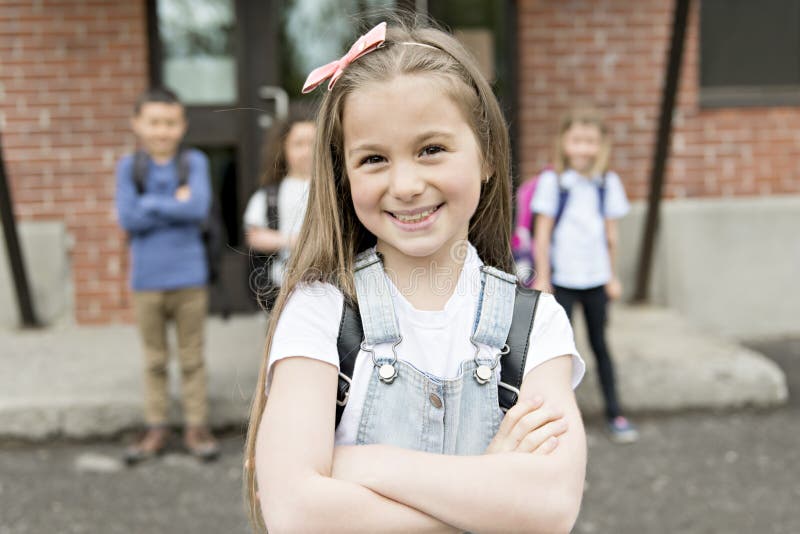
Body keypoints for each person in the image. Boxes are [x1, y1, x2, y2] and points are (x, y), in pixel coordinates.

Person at [243, 20, 587, 533]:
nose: (405, 185)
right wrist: (490, 494)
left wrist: (359, 465)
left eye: (431, 149)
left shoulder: (535, 326)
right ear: (345, 176)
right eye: (374, 159)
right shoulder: (321, 312)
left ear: (487, 155)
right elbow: (296, 514)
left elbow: (551, 507)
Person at [115, 87, 220, 463]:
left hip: (190, 277)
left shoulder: (194, 162)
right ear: (138, 125)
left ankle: (196, 426)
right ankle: (156, 425)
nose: (162, 130)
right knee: (154, 359)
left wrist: (150, 204)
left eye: (169, 122)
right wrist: (171, 202)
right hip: (145, 280)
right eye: (154, 122)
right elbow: (127, 217)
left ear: (182, 126)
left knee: (192, 357)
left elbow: (197, 208)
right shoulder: (129, 167)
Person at [531, 107, 640, 444]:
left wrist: (613, 276)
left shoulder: (607, 183)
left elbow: (612, 235)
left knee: (600, 345)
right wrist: (543, 277)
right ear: (564, 142)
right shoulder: (553, 182)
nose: (583, 148)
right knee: (561, 351)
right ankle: (562, 419)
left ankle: (614, 411)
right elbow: (543, 234)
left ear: (601, 145)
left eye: (590, 141)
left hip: (595, 280)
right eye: (577, 140)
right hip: (562, 280)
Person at [242, 117, 316, 310]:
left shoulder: (336, 191)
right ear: (283, 148)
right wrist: (295, 241)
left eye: (313, 143)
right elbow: (254, 235)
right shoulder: (270, 194)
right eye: (298, 144)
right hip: (282, 285)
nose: (307, 151)